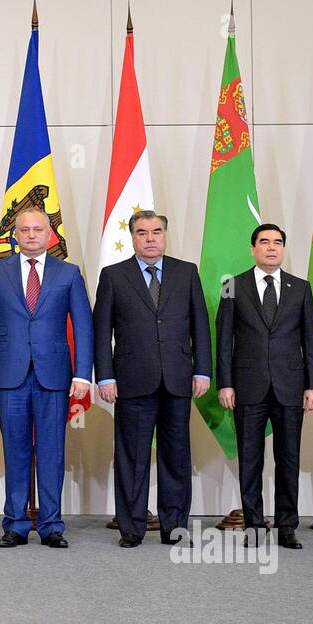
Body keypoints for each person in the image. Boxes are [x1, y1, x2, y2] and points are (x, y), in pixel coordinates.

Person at [0, 207, 93, 549]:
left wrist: (83, 374)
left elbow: (83, 326)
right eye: (24, 230)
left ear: (49, 234)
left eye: (38, 229)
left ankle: (52, 524)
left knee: (52, 451)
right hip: (9, 376)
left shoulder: (68, 273)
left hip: (55, 376)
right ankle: (16, 524)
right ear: (16, 235)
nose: (31, 235)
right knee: (16, 450)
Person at [93, 210, 210, 546]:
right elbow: (102, 332)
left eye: (156, 232)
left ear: (165, 235)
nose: (150, 238)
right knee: (132, 457)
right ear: (132, 237)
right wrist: (105, 377)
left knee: (176, 455)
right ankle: (132, 527)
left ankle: (174, 525)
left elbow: (199, 325)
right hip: (131, 381)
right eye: (142, 233)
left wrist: (202, 369)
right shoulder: (114, 275)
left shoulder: (186, 272)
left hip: (178, 380)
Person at [216, 223, 313, 548]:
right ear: (253, 249)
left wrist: (312, 385)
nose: (271, 247)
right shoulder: (232, 286)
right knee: (251, 459)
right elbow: (223, 341)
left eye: (277, 242)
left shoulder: (300, 288)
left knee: (289, 458)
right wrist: (225, 383)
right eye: (264, 242)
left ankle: (287, 525)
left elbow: (310, 340)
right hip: (247, 386)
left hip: (291, 386)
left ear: (284, 249)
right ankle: (254, 525)